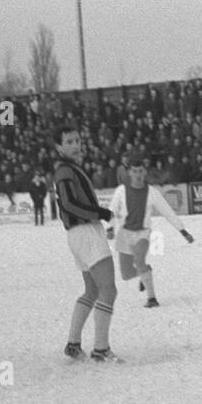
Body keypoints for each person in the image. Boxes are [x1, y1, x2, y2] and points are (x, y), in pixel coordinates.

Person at [52, 127, 120, 362]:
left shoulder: (68, 169)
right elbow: (70, 204)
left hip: (79, 234)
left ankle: (73, 343)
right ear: (59, 147)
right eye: (69, 141)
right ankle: (101, 349)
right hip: (85, 231)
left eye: (78, 140)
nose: (76, 145)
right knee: (108, 289)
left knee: (92, 290)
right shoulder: (65, 171)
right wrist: (101, 212)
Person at [107, 157, 194, 308]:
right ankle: (146, 271)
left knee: (139, 261)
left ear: (145, 172)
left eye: (140, 171)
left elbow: (167, 211)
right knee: (126, 274)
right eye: (134, 171)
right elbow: (112, 209)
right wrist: (110, 227)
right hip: (124, 234)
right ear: (129, 173)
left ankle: (152, 298)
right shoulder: (121, 191)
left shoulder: (152, 192)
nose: (138, 174)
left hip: (143, 233)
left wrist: (183, 230)